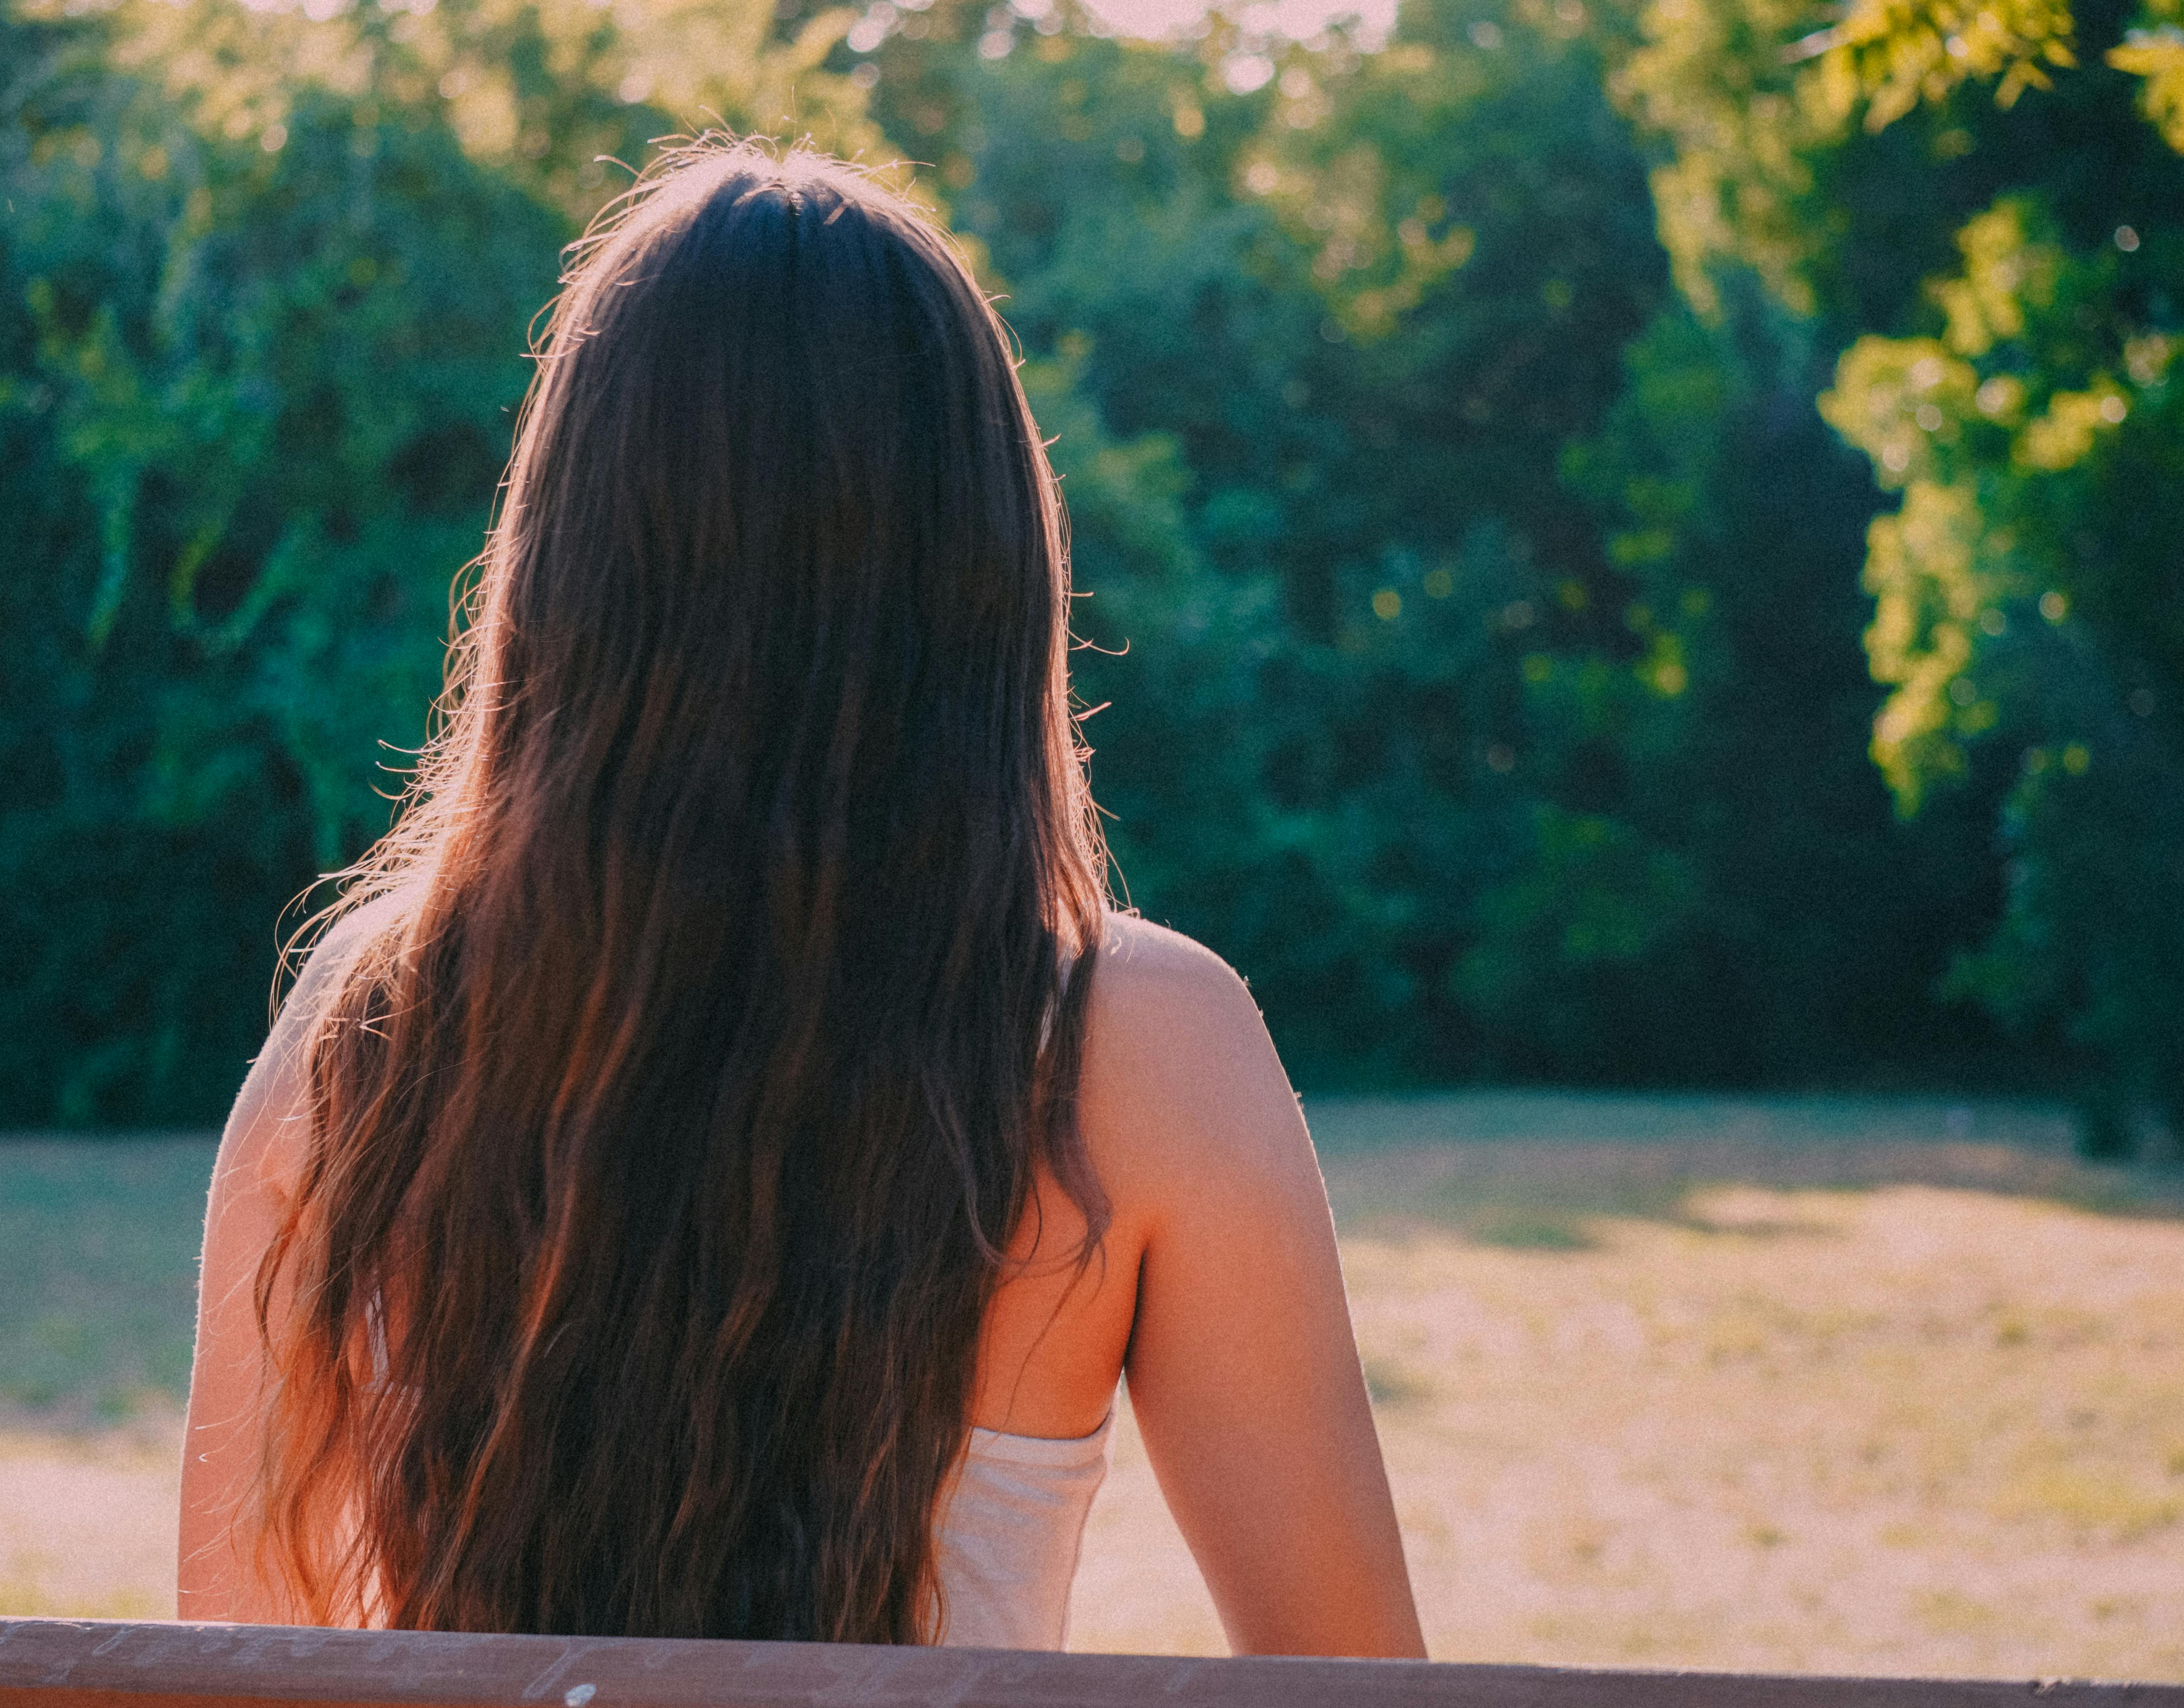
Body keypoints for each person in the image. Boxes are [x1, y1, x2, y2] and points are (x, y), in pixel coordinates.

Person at [178, 143, 1423, 1658]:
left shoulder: (365, 1022)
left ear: (565, 560)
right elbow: (1357, 1682)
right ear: (985, 563)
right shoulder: (1141, 1050)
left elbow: (225, 1658)